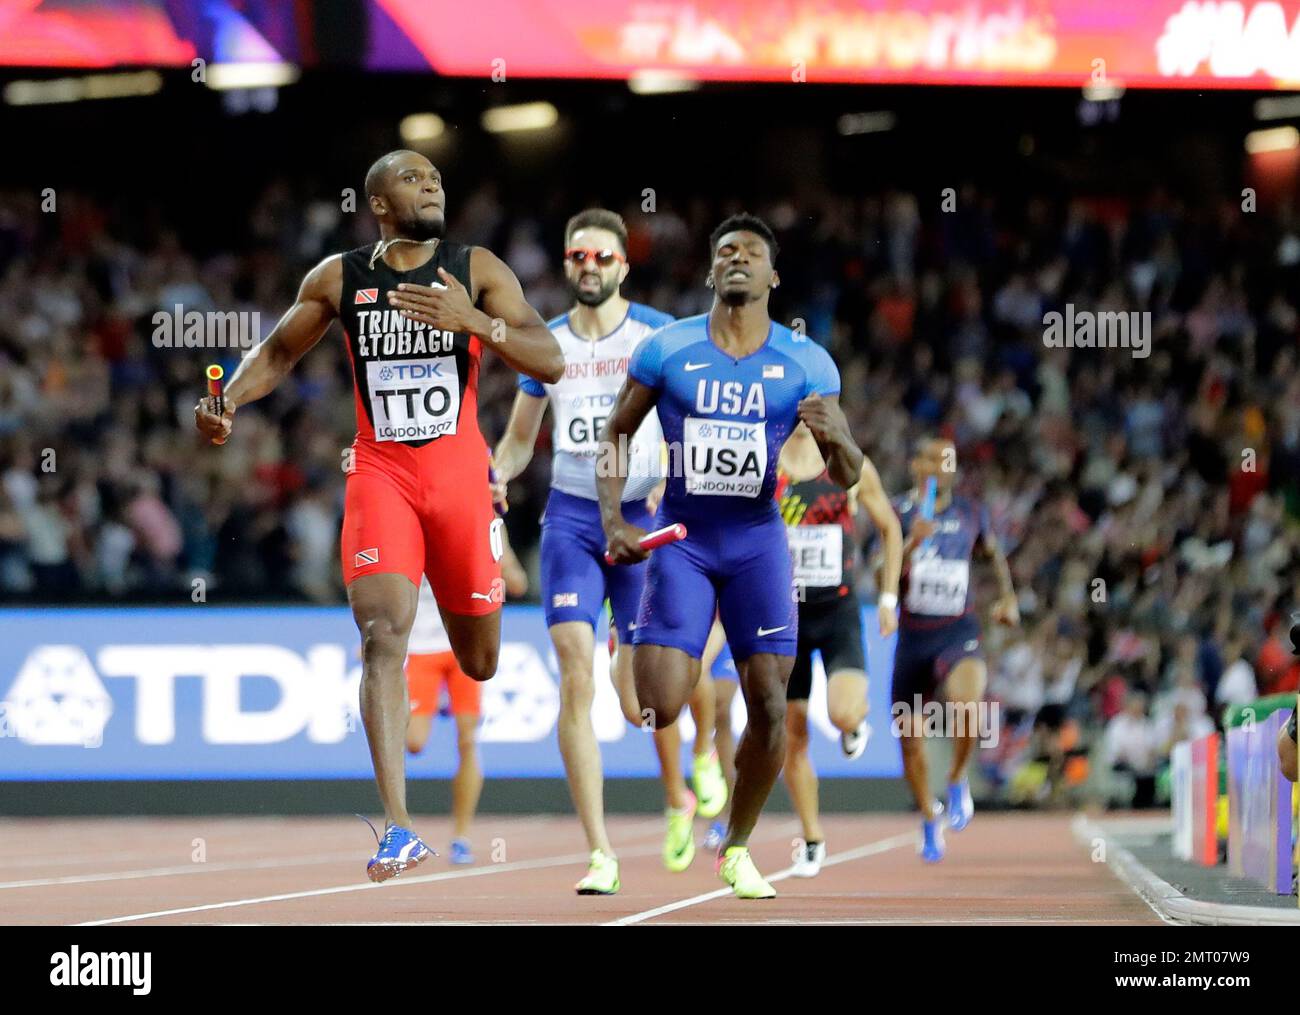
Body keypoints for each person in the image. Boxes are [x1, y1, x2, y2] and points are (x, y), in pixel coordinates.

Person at [194, 150, 563, 882]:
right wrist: (229, 401)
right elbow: (276, 351)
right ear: (380, 203)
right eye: (413, 177)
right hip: (382, 471)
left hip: (459, 473)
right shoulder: (339, 276)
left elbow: (547, 359)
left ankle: (471, 611)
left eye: (436, 176)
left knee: (481, 660)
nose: (432, 184)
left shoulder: (478, 267)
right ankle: (399, 826)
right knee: (380, 634)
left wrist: (475, 323)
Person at [599, 213, 862, 899]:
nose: (736, 258)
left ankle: (738, 846)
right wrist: (613, 518)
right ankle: (627, 643)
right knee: (657, 708)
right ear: (712, 272)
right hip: (682, 538)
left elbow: (848, 474)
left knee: (771, 704)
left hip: (756, 541)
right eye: (725, 251)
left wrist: (842, 439)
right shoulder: (667, 349)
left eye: (751, 252)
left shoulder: (807, 362)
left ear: (773, 275)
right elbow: (616, 433)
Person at [491, 209, 726, 894]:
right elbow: (516, 440)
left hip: (643, 521)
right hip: (570, 519)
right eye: (577, 256)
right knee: (574, 670)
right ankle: (600, 852)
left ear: (624, 266)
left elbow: (697, 416)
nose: (588, 267)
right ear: (567, 266)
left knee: (641, 708)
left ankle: (687, 778)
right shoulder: (547, 343)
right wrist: (491, 474)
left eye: (602, 257)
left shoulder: (660, 335)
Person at [777, 421, 902, 877]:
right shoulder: (766, 464)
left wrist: (887, 598)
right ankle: (812, 839)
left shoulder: (847, 465)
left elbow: (890, 527)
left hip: (839, 615)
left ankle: (854, 724)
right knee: (793, 733)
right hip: (784, 618)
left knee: (842, 714)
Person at [891, 436, 1018, 862]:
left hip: (957, 630)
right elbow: (878, 574)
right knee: (910, 740)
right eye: (932, 460)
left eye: (948, 461)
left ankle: (958, 778)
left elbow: (993, 555)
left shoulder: (970, 512)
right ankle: (929, 816)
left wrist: (1007, 597)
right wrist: (910, 544)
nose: (940, 468)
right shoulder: (898, 512)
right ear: (916, 466)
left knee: (969, 705)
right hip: (913, 637)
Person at [403, 541, 527, 864]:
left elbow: (518, 584)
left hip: (465, 646)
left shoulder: (487, 525)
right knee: (414, 743)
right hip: (421, 645)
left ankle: (461, 837)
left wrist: (499, 559)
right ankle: (439, 704)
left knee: (468, 740)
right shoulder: (412, 520)